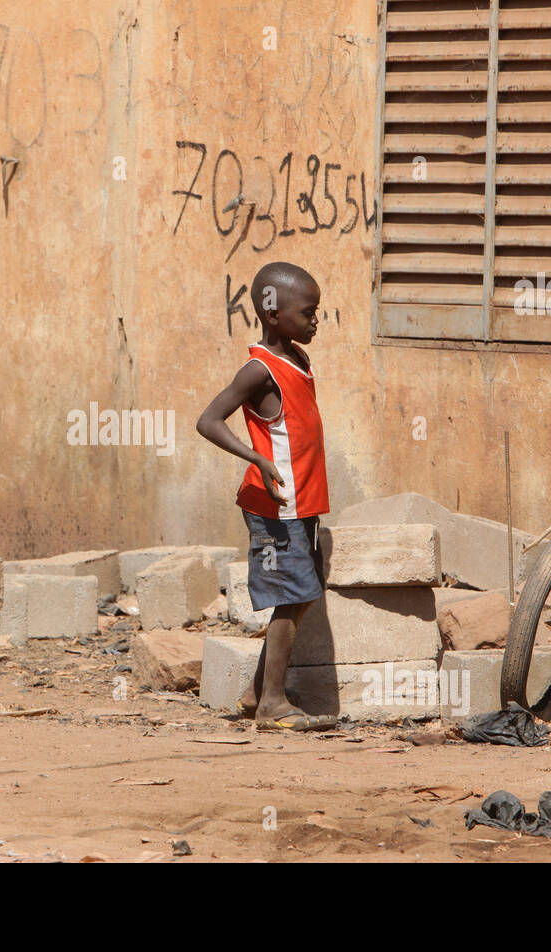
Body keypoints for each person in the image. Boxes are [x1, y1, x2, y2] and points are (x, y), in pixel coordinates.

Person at [195, 262, 337, 731]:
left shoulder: (297, 359)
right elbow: (209, 421)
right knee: (291, 595)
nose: (317, 319)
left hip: (302, 502)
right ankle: (273, 703)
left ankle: (259, 692)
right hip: (277, 505)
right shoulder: (259, 370)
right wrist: (255, 459)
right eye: (308, 311)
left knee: (298, 597)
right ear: (274, 315)